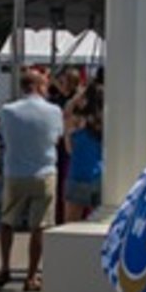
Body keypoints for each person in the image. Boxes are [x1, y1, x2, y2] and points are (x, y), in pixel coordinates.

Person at [0, 69, 64, 292]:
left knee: (7, 221)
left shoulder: (8, 111)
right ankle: (31, 275)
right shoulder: (54, 111)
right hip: (44, 171)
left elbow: (3, 135)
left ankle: (5, 267)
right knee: (40, 226)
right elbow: (57, 137)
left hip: (15, 171)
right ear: (40, 86)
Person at [63, 84, 104, 223]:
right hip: (99, 175)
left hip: (78, 174)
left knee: (71, 220)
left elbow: (69, 149)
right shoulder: (103, 123)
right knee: (100, 219)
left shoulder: (77, 121)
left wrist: (75, 98)